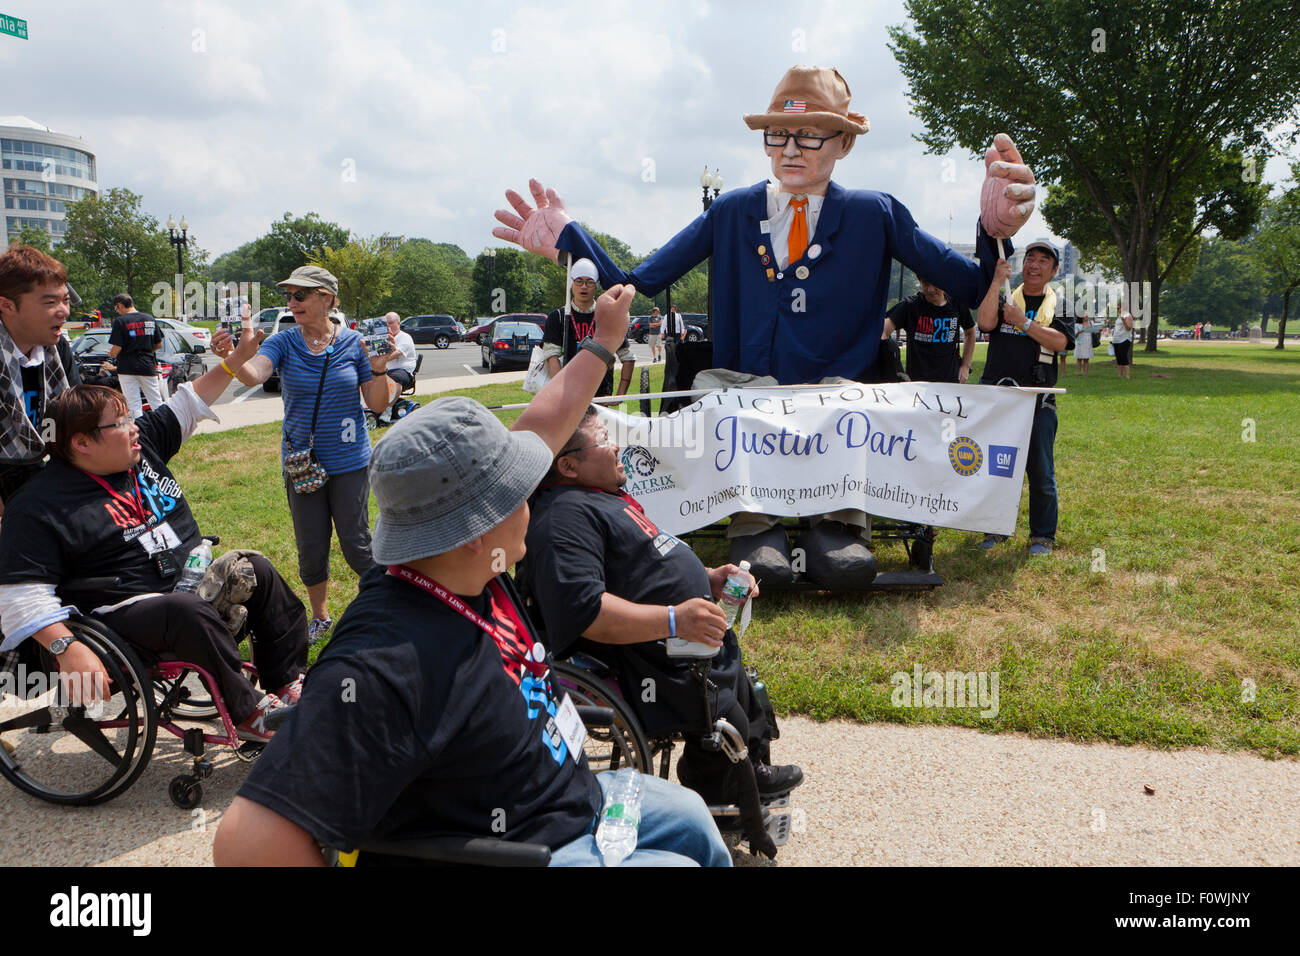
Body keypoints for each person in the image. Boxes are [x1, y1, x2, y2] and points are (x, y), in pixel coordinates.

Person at [213, 283, 731, 867]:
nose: (535, 501)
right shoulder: (384, 660)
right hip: (521, 851)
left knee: (692, 822)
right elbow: (247, 844)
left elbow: (545, 423)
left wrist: (605, 343)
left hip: (571, 800)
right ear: (482, 526)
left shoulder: (468, 568)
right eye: (522, 492)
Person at [495, 65, 1034, 587]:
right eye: (778, 135)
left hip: (836, 389)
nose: (791, 149)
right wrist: (571, 238)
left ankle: (840, 523)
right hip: (748, 388)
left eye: (810, 136)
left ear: (844, 143)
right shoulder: (731, 211)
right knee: (736, 412)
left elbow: (974, 292)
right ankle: (753, 522)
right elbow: (637, 282)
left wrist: (992, 229)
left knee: (848, 412)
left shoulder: (877, 214)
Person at [0, 325, 309, 742]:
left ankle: (287, 682)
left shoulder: (139, 447)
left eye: (129, 417)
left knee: (255, 568)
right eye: (119, 422)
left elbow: (191, 400)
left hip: (187, 581)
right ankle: (251, 714)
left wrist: (234, 362)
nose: (133, 427)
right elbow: (21, 595)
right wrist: (66, 648)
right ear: (81, 443)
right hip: (122, 608)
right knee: (184, 611)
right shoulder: (39, 505)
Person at [522, 408, 803, 807]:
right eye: (603, 440)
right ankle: (724, 797)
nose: (616, 445)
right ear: (568, 465)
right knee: (724, 714)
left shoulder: (596, 497)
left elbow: (640, 564)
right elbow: (585, 611)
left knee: (746, 689)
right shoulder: (563, 519)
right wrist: (674, 620)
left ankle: (743, 773)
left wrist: (706, 578)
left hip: (680, 640)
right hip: (643, 657)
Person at [228, 266, 401, 645]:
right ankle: (320, 616)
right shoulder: (285, 341)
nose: (292, 302)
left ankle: (385, 605)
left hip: (350, 460)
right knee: (311, 543)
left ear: (327, 298)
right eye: (289, 296)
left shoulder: (355, 342)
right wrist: (236, 356)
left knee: (358, 543)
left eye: (300, 295)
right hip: (302, 461)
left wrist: (377, 370)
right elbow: (255, 375)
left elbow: (376, 404)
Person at [975, 239, 1074, 557]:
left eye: (1044, 260)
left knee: (1041, 471)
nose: (1034, 264)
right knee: (997, 468)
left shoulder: (1061, 304)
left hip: (1037, 399)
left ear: (1054, 270)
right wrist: (995, 281)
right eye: (1030, 258)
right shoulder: (1005, 296)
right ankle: (995, 528)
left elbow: (1060, 342)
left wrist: (1024, 322)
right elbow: (985, 323)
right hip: (1000, 398)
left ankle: (1042, 536)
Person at [0, 246, 79, 519]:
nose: (63, 312)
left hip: (46, 484)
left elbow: (73, 416)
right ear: (7, 306)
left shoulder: (59, 351)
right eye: (50, 303)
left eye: (65, 300)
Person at [542, 258, 635, 398]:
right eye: (579, 281)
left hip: (601, 393)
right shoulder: (558, 317)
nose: (584, 286)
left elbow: (627, 357)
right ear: (571, 283)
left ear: (596, 285)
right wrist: (559, 391)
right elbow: (551, 356)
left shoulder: (608, 314)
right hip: (568, 393)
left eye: (589, 282)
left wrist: (620, 395)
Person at [883, 277, 976, 383]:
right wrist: (893, 365)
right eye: (925, 283)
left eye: (935, 283)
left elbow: (970, 332)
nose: (930, 289)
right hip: (917, 384)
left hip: (950, 382)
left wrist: (965, 366)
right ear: (920, 281)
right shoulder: (910, 306)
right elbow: (882, 332)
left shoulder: (957, 304)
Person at [105, 294, 165, 420]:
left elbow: (117, 348)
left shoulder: (120, 321)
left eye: (116, 308)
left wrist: (111, 354)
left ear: (120, 305)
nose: (117, 311)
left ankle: (138, 433)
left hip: (127, 367)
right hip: (148, 365)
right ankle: (164, 430)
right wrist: (147, 351)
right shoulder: (150, 319)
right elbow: (159, 344)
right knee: (156, 401)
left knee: (133, 404)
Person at [379, 311, 418, 424]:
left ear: (398, 323)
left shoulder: (405, 338)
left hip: (404, 372)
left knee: (395, 378)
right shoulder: (382, 339)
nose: (388, 326)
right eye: (386, 324)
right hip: (386, 371)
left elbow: (394, 355)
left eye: (390, 323)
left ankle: (388, 410)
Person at [1112, 303, 1135, 379]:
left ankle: (1127, 375)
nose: (1118, 310)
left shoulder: (1128, 316)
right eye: (1117, 308)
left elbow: (1129, 328)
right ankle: (1120, 375)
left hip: (1124, 339)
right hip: (1116, 339)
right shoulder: (1119, 317)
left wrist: (1124, 321)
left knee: (1123, 356)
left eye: (1119, 308)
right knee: (1118, 357)